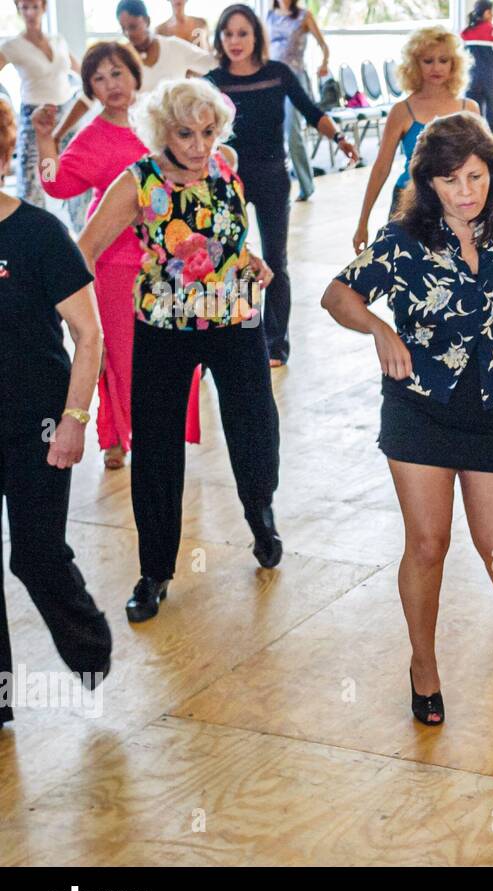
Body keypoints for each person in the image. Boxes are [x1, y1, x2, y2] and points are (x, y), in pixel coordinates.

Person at [323, 114, 493, 725]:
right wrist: (380, 329)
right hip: (420, 404)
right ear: (429, 183)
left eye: (476, 176)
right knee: (427, 544)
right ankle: (423, 665)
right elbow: (339, 296)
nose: (466, 191)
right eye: (450, 180)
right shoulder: (401, 241)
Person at [76, 79, 280, 623]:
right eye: (186, 133)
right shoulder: (139, 180)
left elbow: (226, 234)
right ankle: (155, 571)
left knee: (255, 427)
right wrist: (79, 321)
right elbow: (85, 251)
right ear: (163, 131)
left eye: (208, 132)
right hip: (165, 325)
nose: (198, 144)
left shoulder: (227, 162)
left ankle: (260, 513)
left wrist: (251, 259)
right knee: (159, 449)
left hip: (235, 316)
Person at [35, 40, 202, 471]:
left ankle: (162, 431)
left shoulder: (160, 122)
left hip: (170, 261)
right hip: (113, 263)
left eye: (117, 73)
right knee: (119, 354)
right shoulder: (92, 137)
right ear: (90, 87)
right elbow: (55, 185)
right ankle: (117, 436)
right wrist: (44, 140)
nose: (111, 84)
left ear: (134, 73)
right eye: (98, 78)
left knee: (174, 354)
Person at [0, 97, 112, 726]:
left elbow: (88, 334)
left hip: (36, 421)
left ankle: (89, 645)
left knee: (35, 554)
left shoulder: (39, 235)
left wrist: (75, 418)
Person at [205, 4, 358, 366]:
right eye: (228, 34)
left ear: (257, 36)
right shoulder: (211, 81)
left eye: (243, 33)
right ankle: (235, 336)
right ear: (219, 38)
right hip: (228, 181)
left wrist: (339, 139)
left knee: (276, 258)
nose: (235, 41)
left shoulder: (278, 73)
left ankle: (276, 344)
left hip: (273, 175)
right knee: (229, 259)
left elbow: (311, 111)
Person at [353, 27, 479, 252]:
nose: (436, 67)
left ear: (454, 64)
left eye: (443, 60)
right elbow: (381, 168)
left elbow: (483, 167)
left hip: (457, 204)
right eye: (428, 61)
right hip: (409, 204)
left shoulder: (469, 109)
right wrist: (363, 222)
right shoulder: (402, 111)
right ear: (414, 64)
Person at [54, 0, 218, 140]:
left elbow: (212, 63)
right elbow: (88, 97)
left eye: (133, 26)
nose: (128, 33)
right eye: (123, 28)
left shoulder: (174, 47)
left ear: (146, 21)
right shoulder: (120, 58)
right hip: (134, 136)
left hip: (176, 134)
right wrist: (58, 135)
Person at [0, 0, 88, 226]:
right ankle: (29, 233)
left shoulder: (57, 40)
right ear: (18, 10)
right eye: (24, 8)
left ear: (44, 8)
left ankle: (81, 232)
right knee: (31, 182)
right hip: (34, 115)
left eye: (34, 7)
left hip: (68, 114)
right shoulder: (12, 46)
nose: (30, 13)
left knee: (76, 173)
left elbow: (81, 70)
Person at [268, 0, 330, 204]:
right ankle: (277, 184)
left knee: (292, 131)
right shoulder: (270, 16)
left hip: (294, 79)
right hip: (272, 79)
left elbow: (324, 46)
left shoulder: (304, 16)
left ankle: (306, 184)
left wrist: (324, 64)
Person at [461, 0, 493, 135]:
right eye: (492, 12)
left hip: (472, 79)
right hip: (492, 79)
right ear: (487, 13)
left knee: (474, 119)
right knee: (492, 117)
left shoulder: (465, 33)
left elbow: (462, 58)